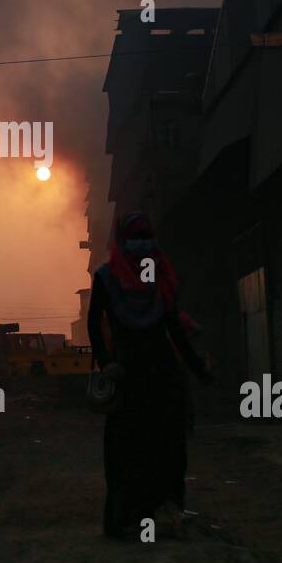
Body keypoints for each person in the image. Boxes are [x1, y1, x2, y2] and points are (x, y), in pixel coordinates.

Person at [88, 211, 211, 540]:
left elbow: (174, 328)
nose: (142, 244)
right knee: (127, 452)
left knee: (168, 448)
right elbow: (93, 326)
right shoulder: (106, 278)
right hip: (128, 376)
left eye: (146, 236)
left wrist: (198, 368)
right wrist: (105, 361)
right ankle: (124, 521)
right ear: (123, 242)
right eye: (136, 237)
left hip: (162, 376)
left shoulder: (162, 279)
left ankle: (162, 515)